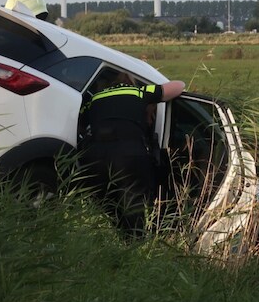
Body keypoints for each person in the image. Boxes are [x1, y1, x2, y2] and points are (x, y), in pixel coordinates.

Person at [78, 72, 186, 236]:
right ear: (130, 81)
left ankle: (102, 245)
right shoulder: (138, 92)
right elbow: (179, 85)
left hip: (93, 157)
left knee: (102, 209)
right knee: (133, 209)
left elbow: (80, 123)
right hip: (128, 155)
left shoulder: (95, 99)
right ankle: (135, 247)